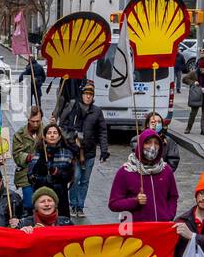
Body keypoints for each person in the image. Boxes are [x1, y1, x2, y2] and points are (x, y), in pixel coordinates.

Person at [58, 81, 110, 218]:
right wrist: (70, 140)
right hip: (73, 151)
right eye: (86, 94)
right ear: (82, 94)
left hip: (89, 152)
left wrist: (104, 149)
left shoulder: (97, 111)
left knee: (85, 181)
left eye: (90, 94)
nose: (88, 96)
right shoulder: (72, 106)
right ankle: (73, 203)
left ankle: (80, 206)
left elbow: (102, 131)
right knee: (75, 177)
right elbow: (62, 125)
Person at [108, 128, 179, 224]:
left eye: (156, 143)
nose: (152, 147)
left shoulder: (166, 170)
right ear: (141, 145)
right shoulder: (125, 171)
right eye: (148, 142)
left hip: (160, 229)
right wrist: (135, 201)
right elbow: (113, 204)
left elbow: (173, 197)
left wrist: (168, 215)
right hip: (134, 231)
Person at [25, 122, 78, 213]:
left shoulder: (67, 154)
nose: (52, 135)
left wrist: (57, 172)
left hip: (60, 195)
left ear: (59, 136)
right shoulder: (37, 153)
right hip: (42, 194)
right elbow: (31, 175)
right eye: (49, 133)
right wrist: (42, 178)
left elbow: (70, 176)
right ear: (44, 137)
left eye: (55, 133)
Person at [11, 106, 44, 210]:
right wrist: (29, 157)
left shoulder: (46, 131)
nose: (35, 124)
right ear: (28, 119)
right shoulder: (19, 134)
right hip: (26, 174)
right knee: (29, 204)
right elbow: (16, 155)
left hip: (43, 173)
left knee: (43, 203)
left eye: (38, 121)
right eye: (32, 121)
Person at [183, 51, 204, 136]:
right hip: (196, 96)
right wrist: (193, 83)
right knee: (193, 114)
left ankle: (203, 130)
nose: (202, 70)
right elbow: (185, 79)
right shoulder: (194, 73)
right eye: (201, 68)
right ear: (199, 67)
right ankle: (188, 128)